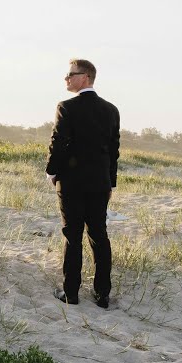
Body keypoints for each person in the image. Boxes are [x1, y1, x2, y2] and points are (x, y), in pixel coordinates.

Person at [46, 58, 120, 309]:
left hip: (72, 183)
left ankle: (71, 293)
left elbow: (58, 142)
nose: (66, 78)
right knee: (99, 236)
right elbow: (113, 151)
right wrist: (111, 183)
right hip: (100, 184)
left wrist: (51, 172)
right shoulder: (111, 110)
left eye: (71, 74)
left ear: (85, 77)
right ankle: (102, 294)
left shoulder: (66, 107)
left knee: (72, 236)